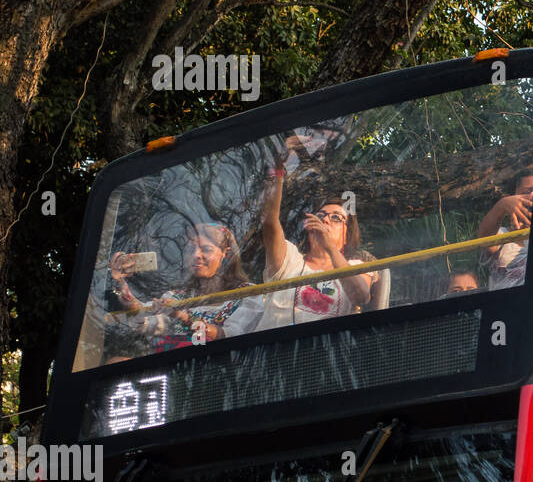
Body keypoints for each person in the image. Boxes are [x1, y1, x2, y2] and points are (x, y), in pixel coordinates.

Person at [258, 144, 379, 327]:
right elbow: (268, 222)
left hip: (320, 352)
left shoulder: (356, 266)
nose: (326, 221)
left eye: (336, 218)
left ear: (347, 236)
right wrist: (279, 166)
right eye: (321, 216)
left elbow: (360, 296)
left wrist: (330, 247)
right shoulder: (290, 258)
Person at [109, 221, 262, 352]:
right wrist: (122, 287)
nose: (196, 255)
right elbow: (146, 322)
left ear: (226, 255)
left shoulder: (248, 294)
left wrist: (184, 317)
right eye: (190, 249)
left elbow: (234, 337)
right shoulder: (175, 297)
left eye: (206, 249)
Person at [477, 167, 533, 289]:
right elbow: (485, 239)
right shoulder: (502, 234)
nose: (532, 195)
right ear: (511, 198)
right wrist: (501, 205)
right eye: (527, 191)